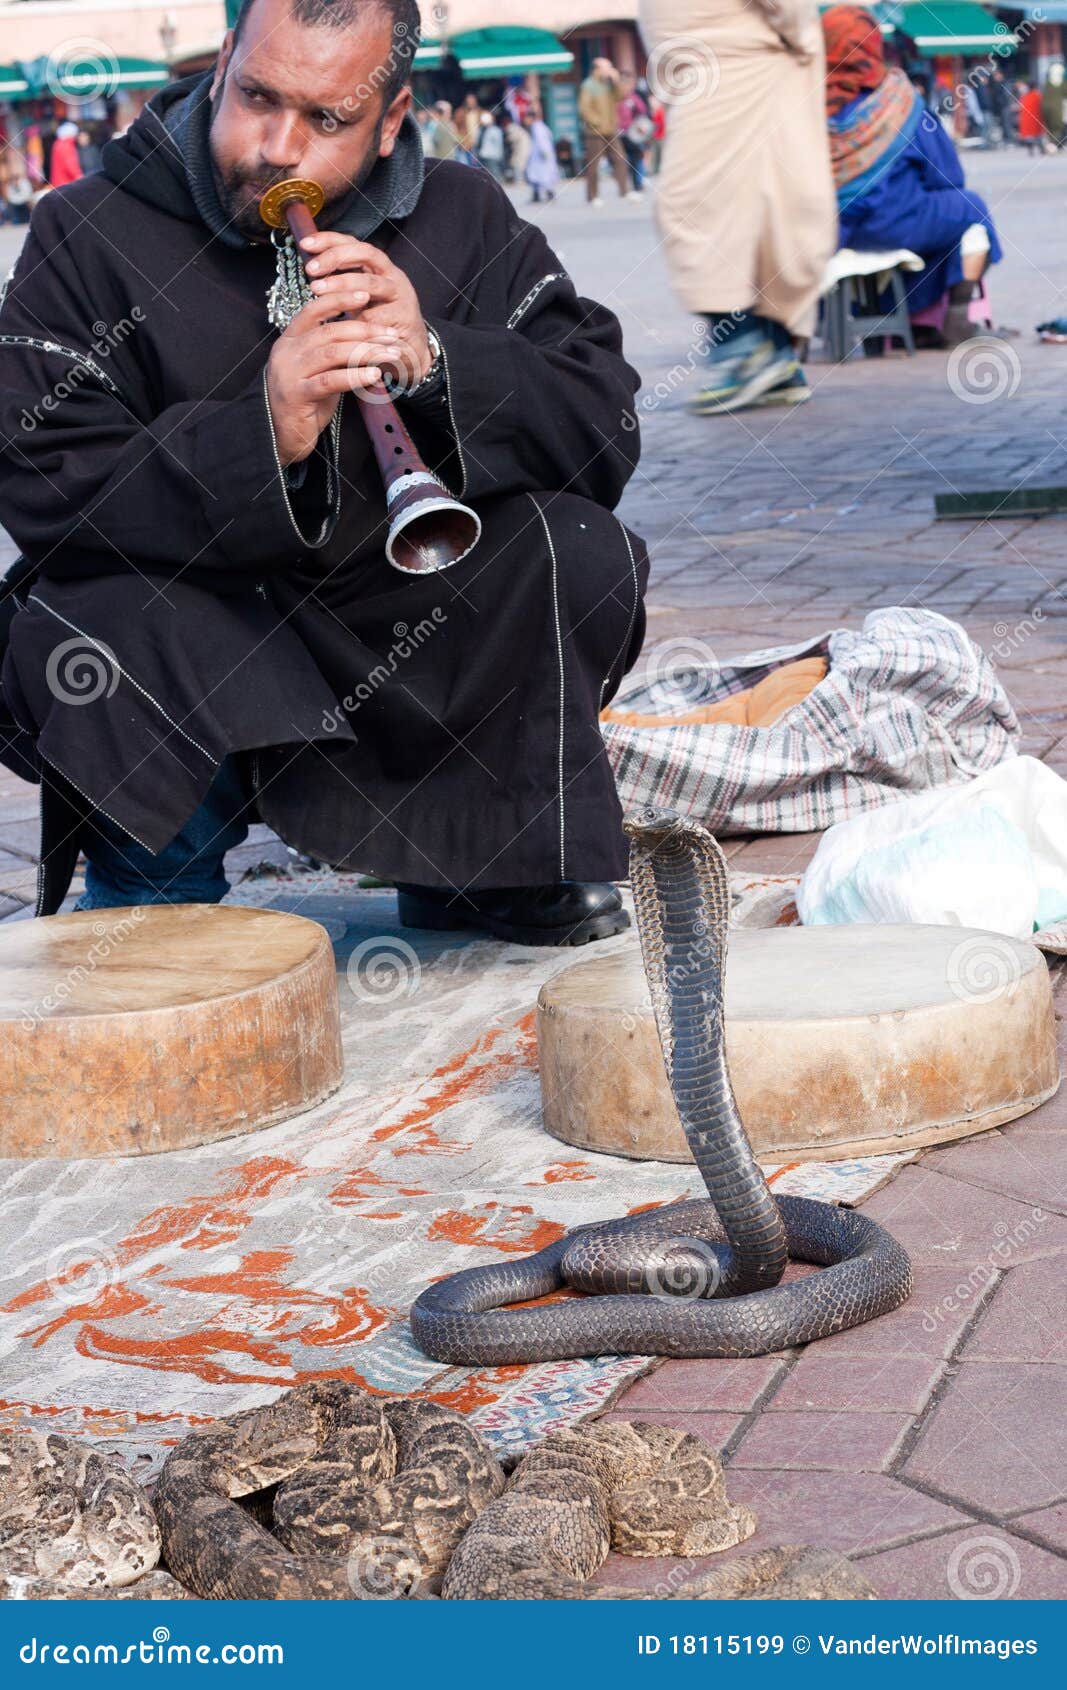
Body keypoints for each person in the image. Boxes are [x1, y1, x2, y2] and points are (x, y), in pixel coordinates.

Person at [0, 0, 649, 944]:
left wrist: (434, 356)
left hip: (399, 610)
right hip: (203, 619)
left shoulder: (464, 212)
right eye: (258, 97)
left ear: (389, 121)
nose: (277, 148)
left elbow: (602, 425)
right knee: (96, 612)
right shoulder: (86, 229)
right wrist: (261, 432)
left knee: (571, 547)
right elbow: (38, 471)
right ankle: (157, 881)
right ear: (223, 63)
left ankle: (481, 864)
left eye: (327, 121)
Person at [640, 0, 835, 412]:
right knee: (756, 213)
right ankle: (778, 358)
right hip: (699, 75)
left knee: (690, 207)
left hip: (740, 70)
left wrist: (801, 38)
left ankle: (743, 347)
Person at [822, 5, 1002, 343]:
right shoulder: (897, 101)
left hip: (827, 231)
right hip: (896, 222)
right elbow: (946, 176)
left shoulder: (808, 104)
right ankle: (956, 319)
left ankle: (908, 319)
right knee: (970, 208)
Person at [578, 56, 628, 205]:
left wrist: (617, 80)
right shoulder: (588, 85)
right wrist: (597, 122)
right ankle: (592, 196)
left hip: (611, 129)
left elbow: (621, 96)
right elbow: (584, 108)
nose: (609, 70)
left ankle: (624, 192)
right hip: (596, 131)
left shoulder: (609, 84)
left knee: (620, 159)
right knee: (594, 164)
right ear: (596, 69)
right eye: (606, 67)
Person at [617, 72, 652, 197]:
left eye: (629, 84)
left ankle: (638, 183)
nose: (627, 87)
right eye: (624, 84)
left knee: (636, 157)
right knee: (621, 160)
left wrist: (640, 125)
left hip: (632, 133)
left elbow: (643, 111)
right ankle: (624, 188)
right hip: (618, 133)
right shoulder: (615, 98)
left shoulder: (634, 97)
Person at [523, 106, 559, 204]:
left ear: (531, 118)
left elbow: (542, 141)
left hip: (541, 157)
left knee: (543, 176)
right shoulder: (538, 126)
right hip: (537, 157)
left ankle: (549, 194)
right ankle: (536, 195)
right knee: (535, 176)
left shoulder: (537, 127)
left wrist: (544, 152)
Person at [48, 121, 82, 188]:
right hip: (67, 183)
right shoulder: (67, 145)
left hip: (58, 182)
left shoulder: (57, 144)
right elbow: (70, 165)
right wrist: (79, 177)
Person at [1041, 63, 1066, 150]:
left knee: (1049, 128)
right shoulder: (1062, 84)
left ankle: (1051, 144)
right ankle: (1054, 145)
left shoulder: (1047, 83)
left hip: (1045, 108)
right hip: (1057, 109)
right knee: (1057, 127)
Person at [476, 110, 506, 181]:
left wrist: (499, 157)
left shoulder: (496, 130)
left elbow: (499, 145)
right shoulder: (481, 130)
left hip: (492, 156)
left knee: (495, 175)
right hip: (482, 155)